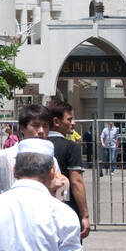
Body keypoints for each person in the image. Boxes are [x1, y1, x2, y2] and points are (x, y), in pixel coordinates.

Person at [0, 104, 68, 205]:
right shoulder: (3, 157)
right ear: (22, 128)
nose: (41, 131)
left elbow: (61, 199)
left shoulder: (52, 160)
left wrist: (61, 187)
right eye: (36, 126)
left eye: (45, 126)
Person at [47, 100, 91, 239]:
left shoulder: (37, 145)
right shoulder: (70, 147)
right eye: (69, 119)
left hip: (41, 210)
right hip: (66, 207)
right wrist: (84, 215)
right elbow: (76, 181)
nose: (73, 123)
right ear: (56, 121)